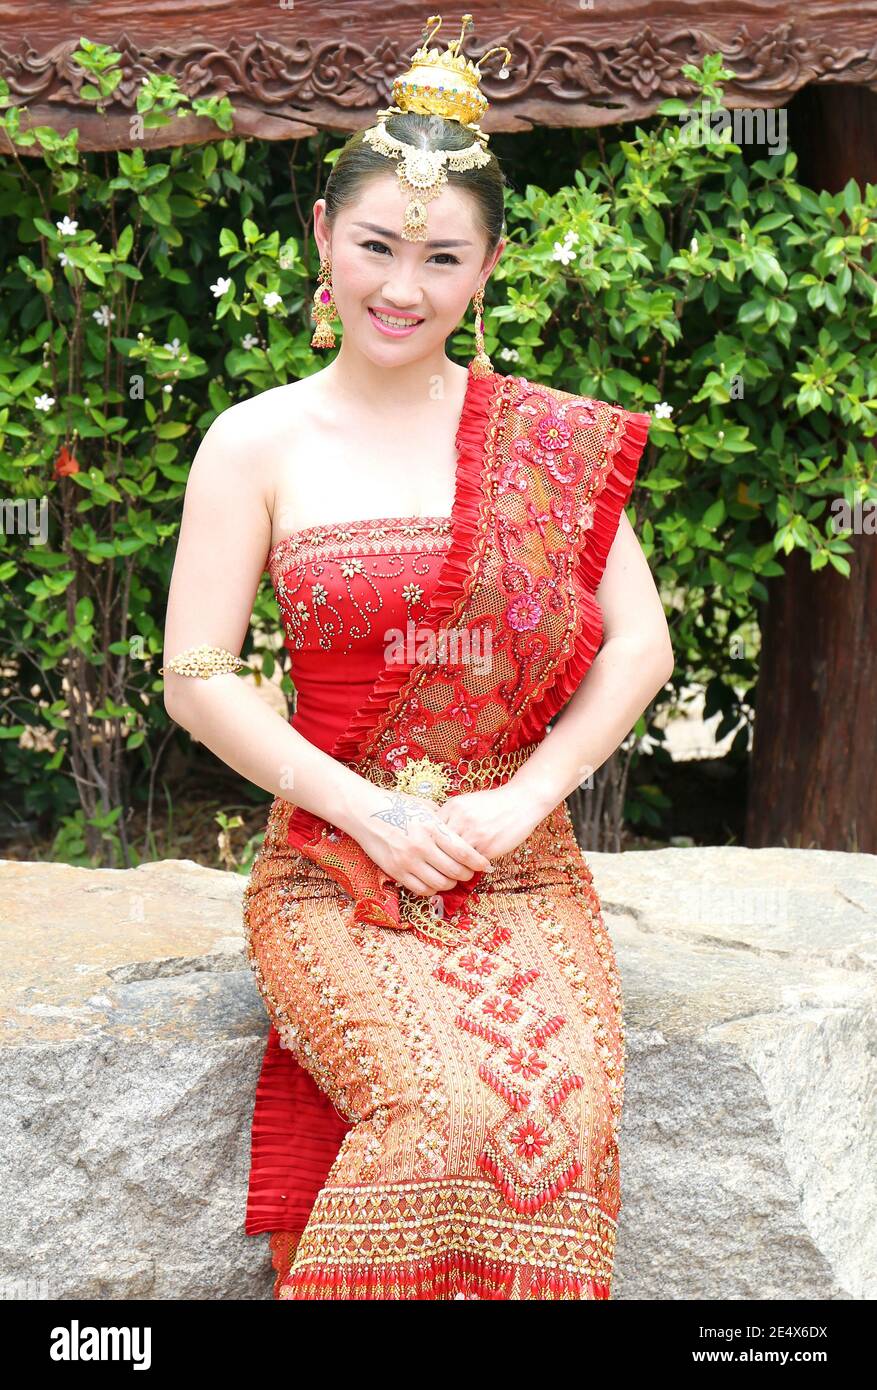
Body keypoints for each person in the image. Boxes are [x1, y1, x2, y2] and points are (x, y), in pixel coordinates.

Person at [161, 12, 672, 1299]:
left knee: (554, 1123)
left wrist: (522, 800)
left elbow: (643, 646)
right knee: (441, 1114)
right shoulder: (256, 444)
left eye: (440, 258)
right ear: (324, 241)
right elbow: (197, 674)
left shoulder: (542, 441)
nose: (403, 287)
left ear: (485, 266)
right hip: (334, 864)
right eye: (378, 247)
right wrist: (368, 810)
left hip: (519, 863)